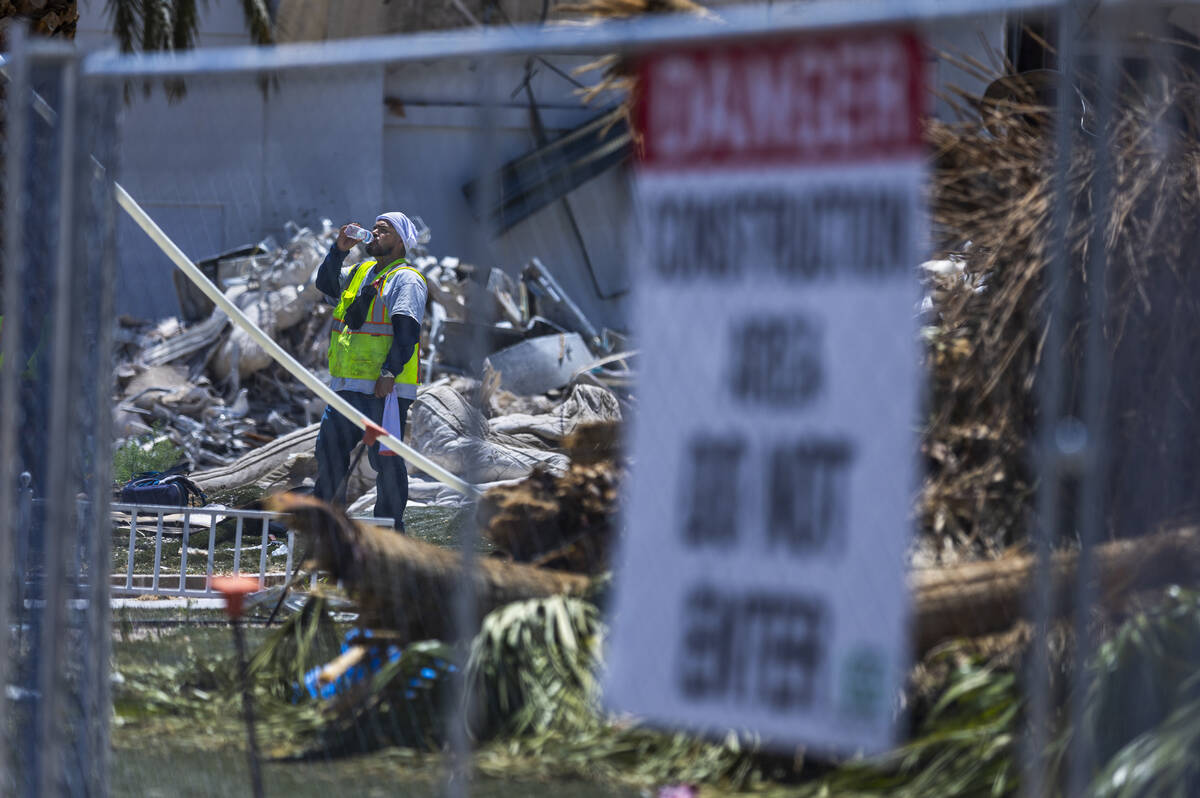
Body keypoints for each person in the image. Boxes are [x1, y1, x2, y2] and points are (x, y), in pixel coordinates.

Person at [312, 212, 427, 531]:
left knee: (386, 461)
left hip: (382, 393)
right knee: (329, 452)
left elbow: (407, 330)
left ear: (401, 241)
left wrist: (389, 372)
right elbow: (325, 284)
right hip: (347, 388)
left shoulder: (406, 279)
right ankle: (323, 528)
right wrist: (338, 250)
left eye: (384, 230)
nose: (374, 233)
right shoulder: (360, 271)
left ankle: (389, 530)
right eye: (373, 228)